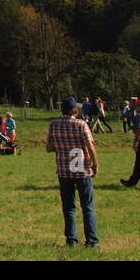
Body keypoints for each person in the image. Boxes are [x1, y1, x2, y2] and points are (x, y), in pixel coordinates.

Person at [45, 97, 99, 248]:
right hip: (82, 170)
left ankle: (71, 240)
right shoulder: (81, 124)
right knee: (87, 206)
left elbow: (49, 148)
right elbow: (90, 145)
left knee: (68, 207)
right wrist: (95, 165)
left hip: (64, 171)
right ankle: (92, 241)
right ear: (75, 110)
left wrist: (62, 147)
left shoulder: (54, 125)